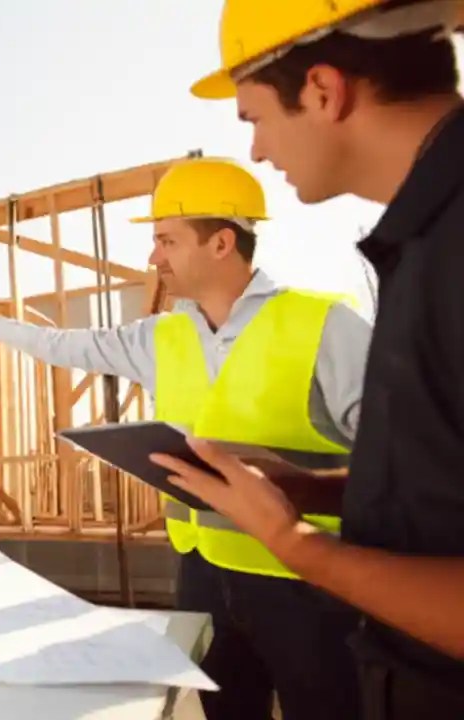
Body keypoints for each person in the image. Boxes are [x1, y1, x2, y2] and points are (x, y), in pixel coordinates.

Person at [0, 156, 372, 720]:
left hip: (307, 578)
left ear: (221, 243)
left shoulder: (324, 324)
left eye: (167, 240)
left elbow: (402, 458)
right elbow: (69, 345)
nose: (153, 257)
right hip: (202, 573)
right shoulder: (160, 336)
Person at [149, 1, 464, 717]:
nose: (257, 152)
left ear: (323, 91)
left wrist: (297, 546)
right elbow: (443, 488)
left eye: (254, 118)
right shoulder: (424, 243)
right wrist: (307, 487)